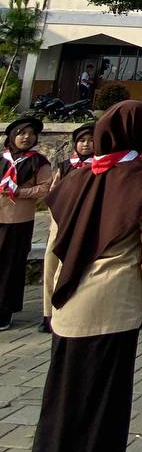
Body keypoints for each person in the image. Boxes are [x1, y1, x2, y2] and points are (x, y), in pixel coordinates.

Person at [25, 101, 142, 452]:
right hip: (114, 309)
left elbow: (53, 249)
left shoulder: (75, 178)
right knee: (99, 416)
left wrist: (50, 303)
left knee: (60, 413)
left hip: (67, 309)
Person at [41, 123, 96, 333]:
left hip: (86, 222)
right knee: (51, 262)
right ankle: (48, 313)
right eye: (82, 140)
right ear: (75, 143)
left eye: (91, 140)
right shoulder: (65, 166)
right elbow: (53, 194)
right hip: (61, 220)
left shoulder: (99, 169)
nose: (86, 145)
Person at [1, 117, 52, 332]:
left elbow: (45, 188)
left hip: (18, 221)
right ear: (12, 136)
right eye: (21, 133)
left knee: (11, 265)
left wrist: (19, 191)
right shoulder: (1, 159)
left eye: (30, 134)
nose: (26, 137)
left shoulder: (38, 162)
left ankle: (5, 311)